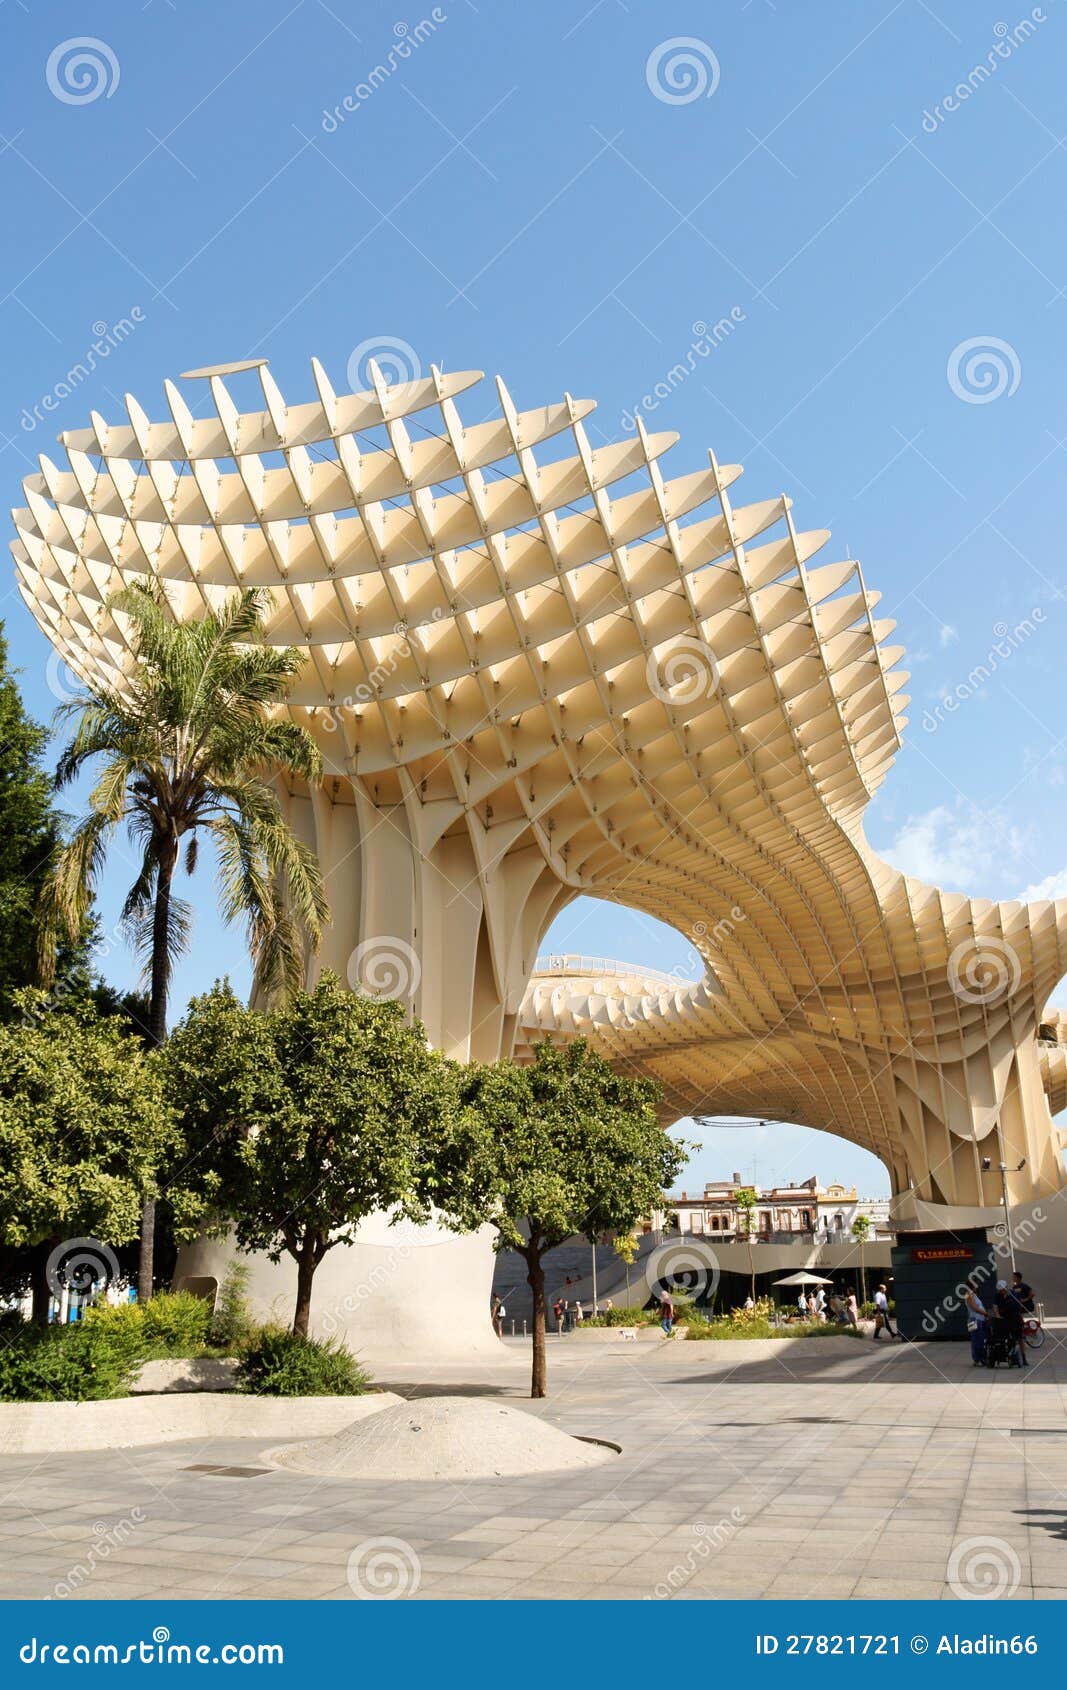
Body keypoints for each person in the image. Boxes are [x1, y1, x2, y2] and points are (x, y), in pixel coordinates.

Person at [995, 1280, 1028, 1368]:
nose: (1001, 1292)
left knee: (1020, 1338)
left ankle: (1024, 1358)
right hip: (1004, 1320)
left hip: (1016, 1319)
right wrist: (998, 1316)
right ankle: (1009, 1354)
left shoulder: (1014, 1294)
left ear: (1006, 1288)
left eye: (1002, 1290)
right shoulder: (998, 1296)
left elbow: (1019, 1307)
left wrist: (1021, 1319)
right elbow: (995, 1306)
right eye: (1000, 1290)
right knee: (1007, 1338)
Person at [964, 1285, 987, 1366]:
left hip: (979, 1319)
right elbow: (975, 1308)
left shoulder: (974, 1295)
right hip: (974, 1320)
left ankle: (980, 1358)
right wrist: (985, 1313)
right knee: (977, 1340)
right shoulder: (968, 1295)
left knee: (980, 1339)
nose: (977, 1287)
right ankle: (978, 1359)